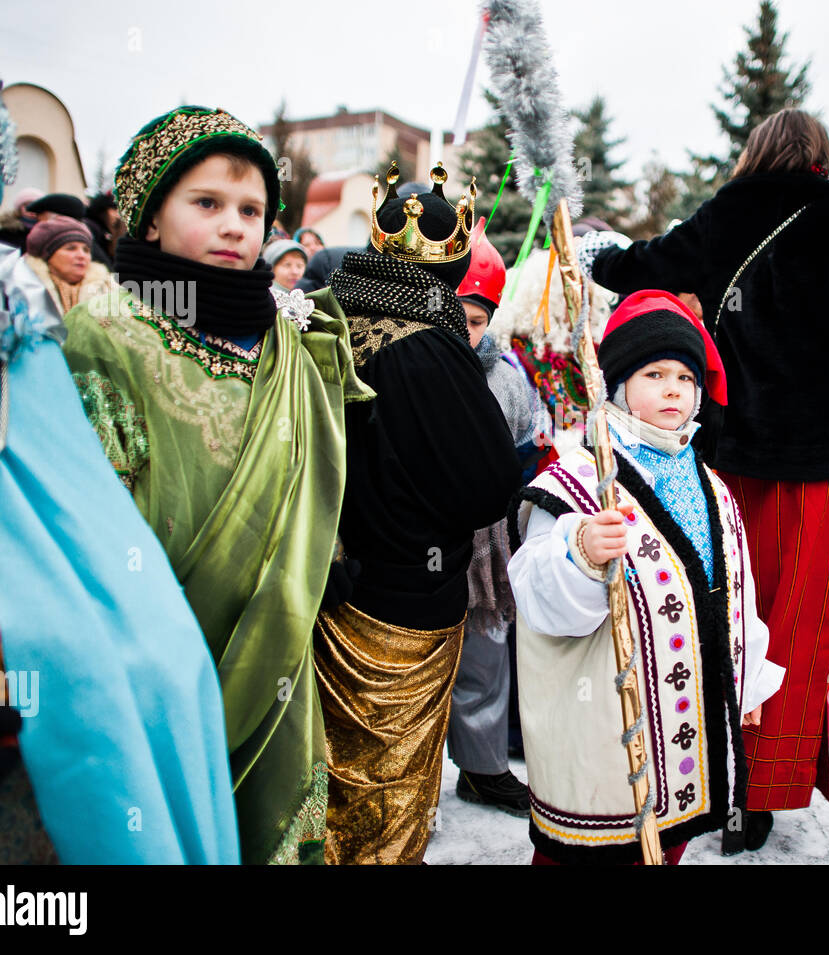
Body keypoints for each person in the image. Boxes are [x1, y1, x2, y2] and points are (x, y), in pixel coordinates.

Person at [0, 19, 237, 864]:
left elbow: (97, 549)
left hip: (13, 757)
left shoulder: (3, 334)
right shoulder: (85, 323)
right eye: (207, 204)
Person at [581, 108, 829, 849]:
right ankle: (767, 781)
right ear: (820, 155)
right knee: (797, 622)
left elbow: (646, 264)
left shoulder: (729, 211)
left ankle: (725, 785)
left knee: (732, 616)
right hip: (824, 459)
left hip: (736, 454)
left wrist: (590, 248)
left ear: (756, 151)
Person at [63, 105, 371, 864]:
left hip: (277, 645)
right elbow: (94, 515)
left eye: (252, 210)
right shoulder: (110, 326)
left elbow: (331, 413)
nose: (236, 225)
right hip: (162, 648)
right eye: (207, 204)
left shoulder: (282, 329)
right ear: (150, 218)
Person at [508, 290, 784, 864]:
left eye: (685, 376)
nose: (673, 389)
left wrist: (746, 681)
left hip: (686, 733)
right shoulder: (581, 481)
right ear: (616, 385)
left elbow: (737, 593)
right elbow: (534, 595)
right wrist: (580, 551)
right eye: (654, 373)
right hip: (607, 729)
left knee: (668, 841)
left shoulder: (713, 486)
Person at [308, 161, 521, 864]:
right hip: (404, 597)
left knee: (328, 772)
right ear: (454, 266)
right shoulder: (431, 340)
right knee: (388, 790)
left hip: (321, 584)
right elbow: (487, 484)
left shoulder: (325, 309)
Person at [448, 225, 549, 815]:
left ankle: (483, 766)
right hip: (419, 542)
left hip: (486, 542)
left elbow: (523, 458)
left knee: (486, 651)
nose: (465, 332)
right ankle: (406, 782)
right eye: (452, 317)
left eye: (476, 321)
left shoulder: (507, 381)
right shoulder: (403, 366)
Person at [22, 215, 108, 315]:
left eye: (86, 250)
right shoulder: (25, 290)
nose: (82, 255)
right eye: (71, 248)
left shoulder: (109, 290)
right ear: (47, 256)